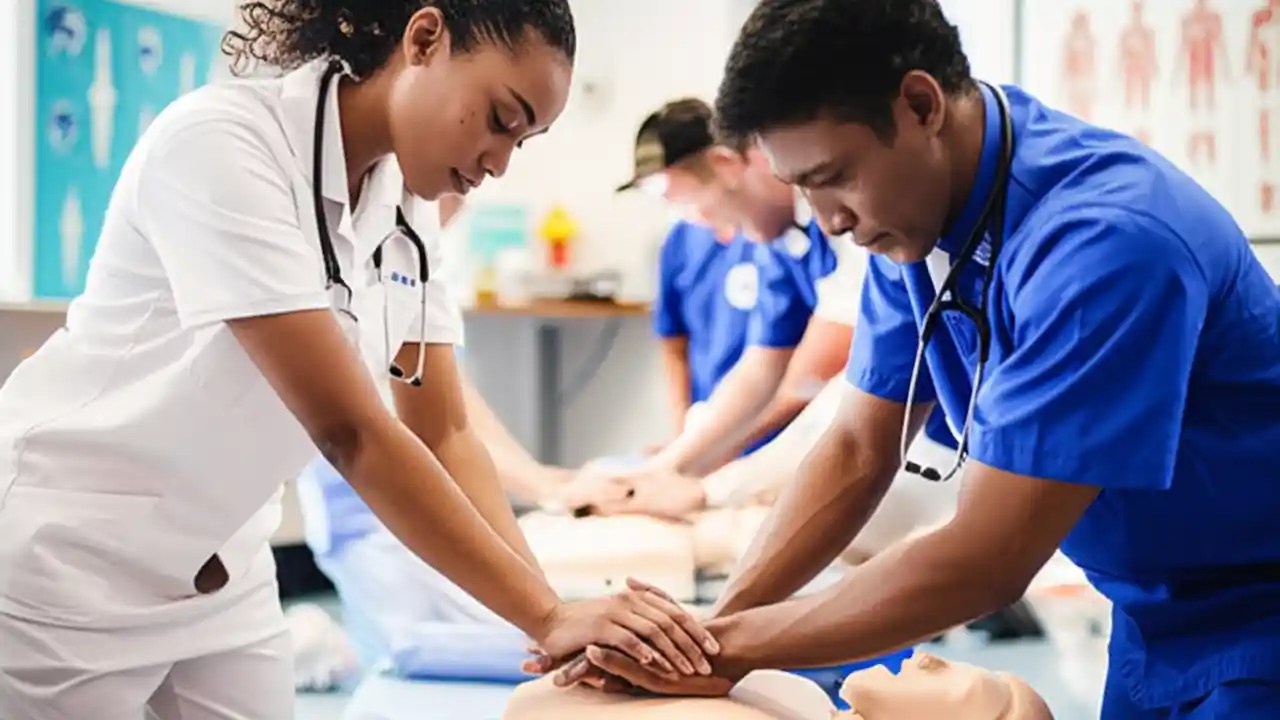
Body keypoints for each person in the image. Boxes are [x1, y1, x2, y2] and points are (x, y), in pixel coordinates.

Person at [547, 1, 1280, 718]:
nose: (828, 218)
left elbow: (985, 561)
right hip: (1153, 618)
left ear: (922, 104)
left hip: (1259, 616)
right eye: (802, 187)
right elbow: (859, 445)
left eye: (833, 176)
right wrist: (707, 633)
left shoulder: (1107, 244)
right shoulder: (923, 216)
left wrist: (721, 647)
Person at [0, 3, 716, 718]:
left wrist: (555, 617)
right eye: (501, 118)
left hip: (222, 565)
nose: (499, 163)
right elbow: (351, 431)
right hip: (72, 559)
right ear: (424, 38)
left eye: (523, 142)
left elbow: (446, 433)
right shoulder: (222, 144)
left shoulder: (407, 214)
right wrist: (549, 617)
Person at [614, 98, 866, 478]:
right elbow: (762, 365)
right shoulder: (777, 241)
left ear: (725, 164)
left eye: (695, 204)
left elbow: (808, 375)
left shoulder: (840, 215)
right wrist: (676, 460)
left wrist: (708, 463)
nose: (697, 220)